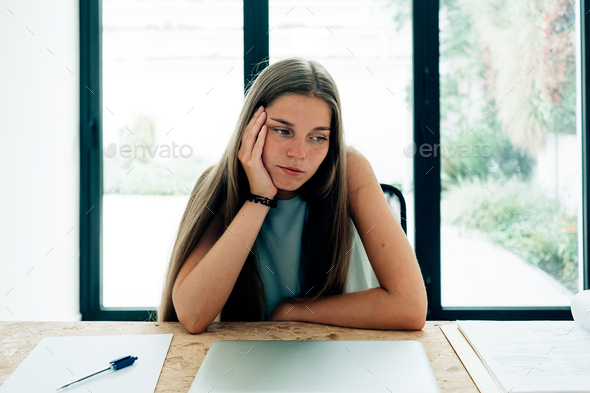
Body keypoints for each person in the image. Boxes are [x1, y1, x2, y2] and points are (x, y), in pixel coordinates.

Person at [158, 57, 427, 334]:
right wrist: (259, 197)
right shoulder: (220, 185)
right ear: (251, 127)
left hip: (341, 350)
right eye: (283, 131)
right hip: (254, 358)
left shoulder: (349, 170)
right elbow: (192, 315)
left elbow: (410, 306)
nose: (298, 154)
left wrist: (294, 311)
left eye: (317, 137)